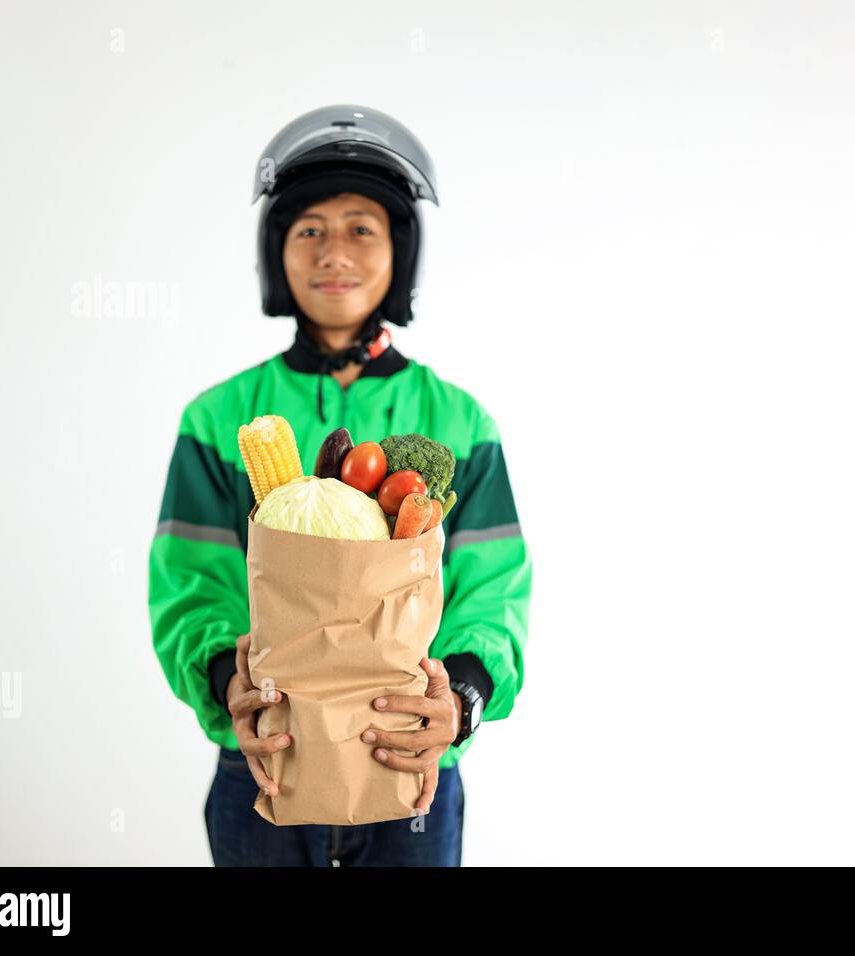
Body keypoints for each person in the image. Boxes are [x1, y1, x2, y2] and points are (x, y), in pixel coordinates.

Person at [147, 105, 532, 866]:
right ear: (276, 254)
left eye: (362, 227)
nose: (335, 252)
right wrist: (228, 680)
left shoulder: (458, 419)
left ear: (400, 251)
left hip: (412, 763)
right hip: (264, 755)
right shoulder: (217, 417)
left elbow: (495, 590)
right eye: (309, 230)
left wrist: (460, 698)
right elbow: (192, 584)